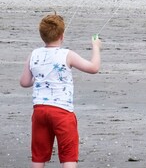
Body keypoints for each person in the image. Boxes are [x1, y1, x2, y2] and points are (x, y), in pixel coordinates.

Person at [20, 13, 101, 168]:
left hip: (39, 111)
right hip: (62, 112)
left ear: (42, 35)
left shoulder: (34, 54)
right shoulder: (67, 54)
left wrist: (38, 77)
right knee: (68, 156)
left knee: (38, 156)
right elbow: (94, 68)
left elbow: (24, 82)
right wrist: (96, 47)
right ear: (62, 36)